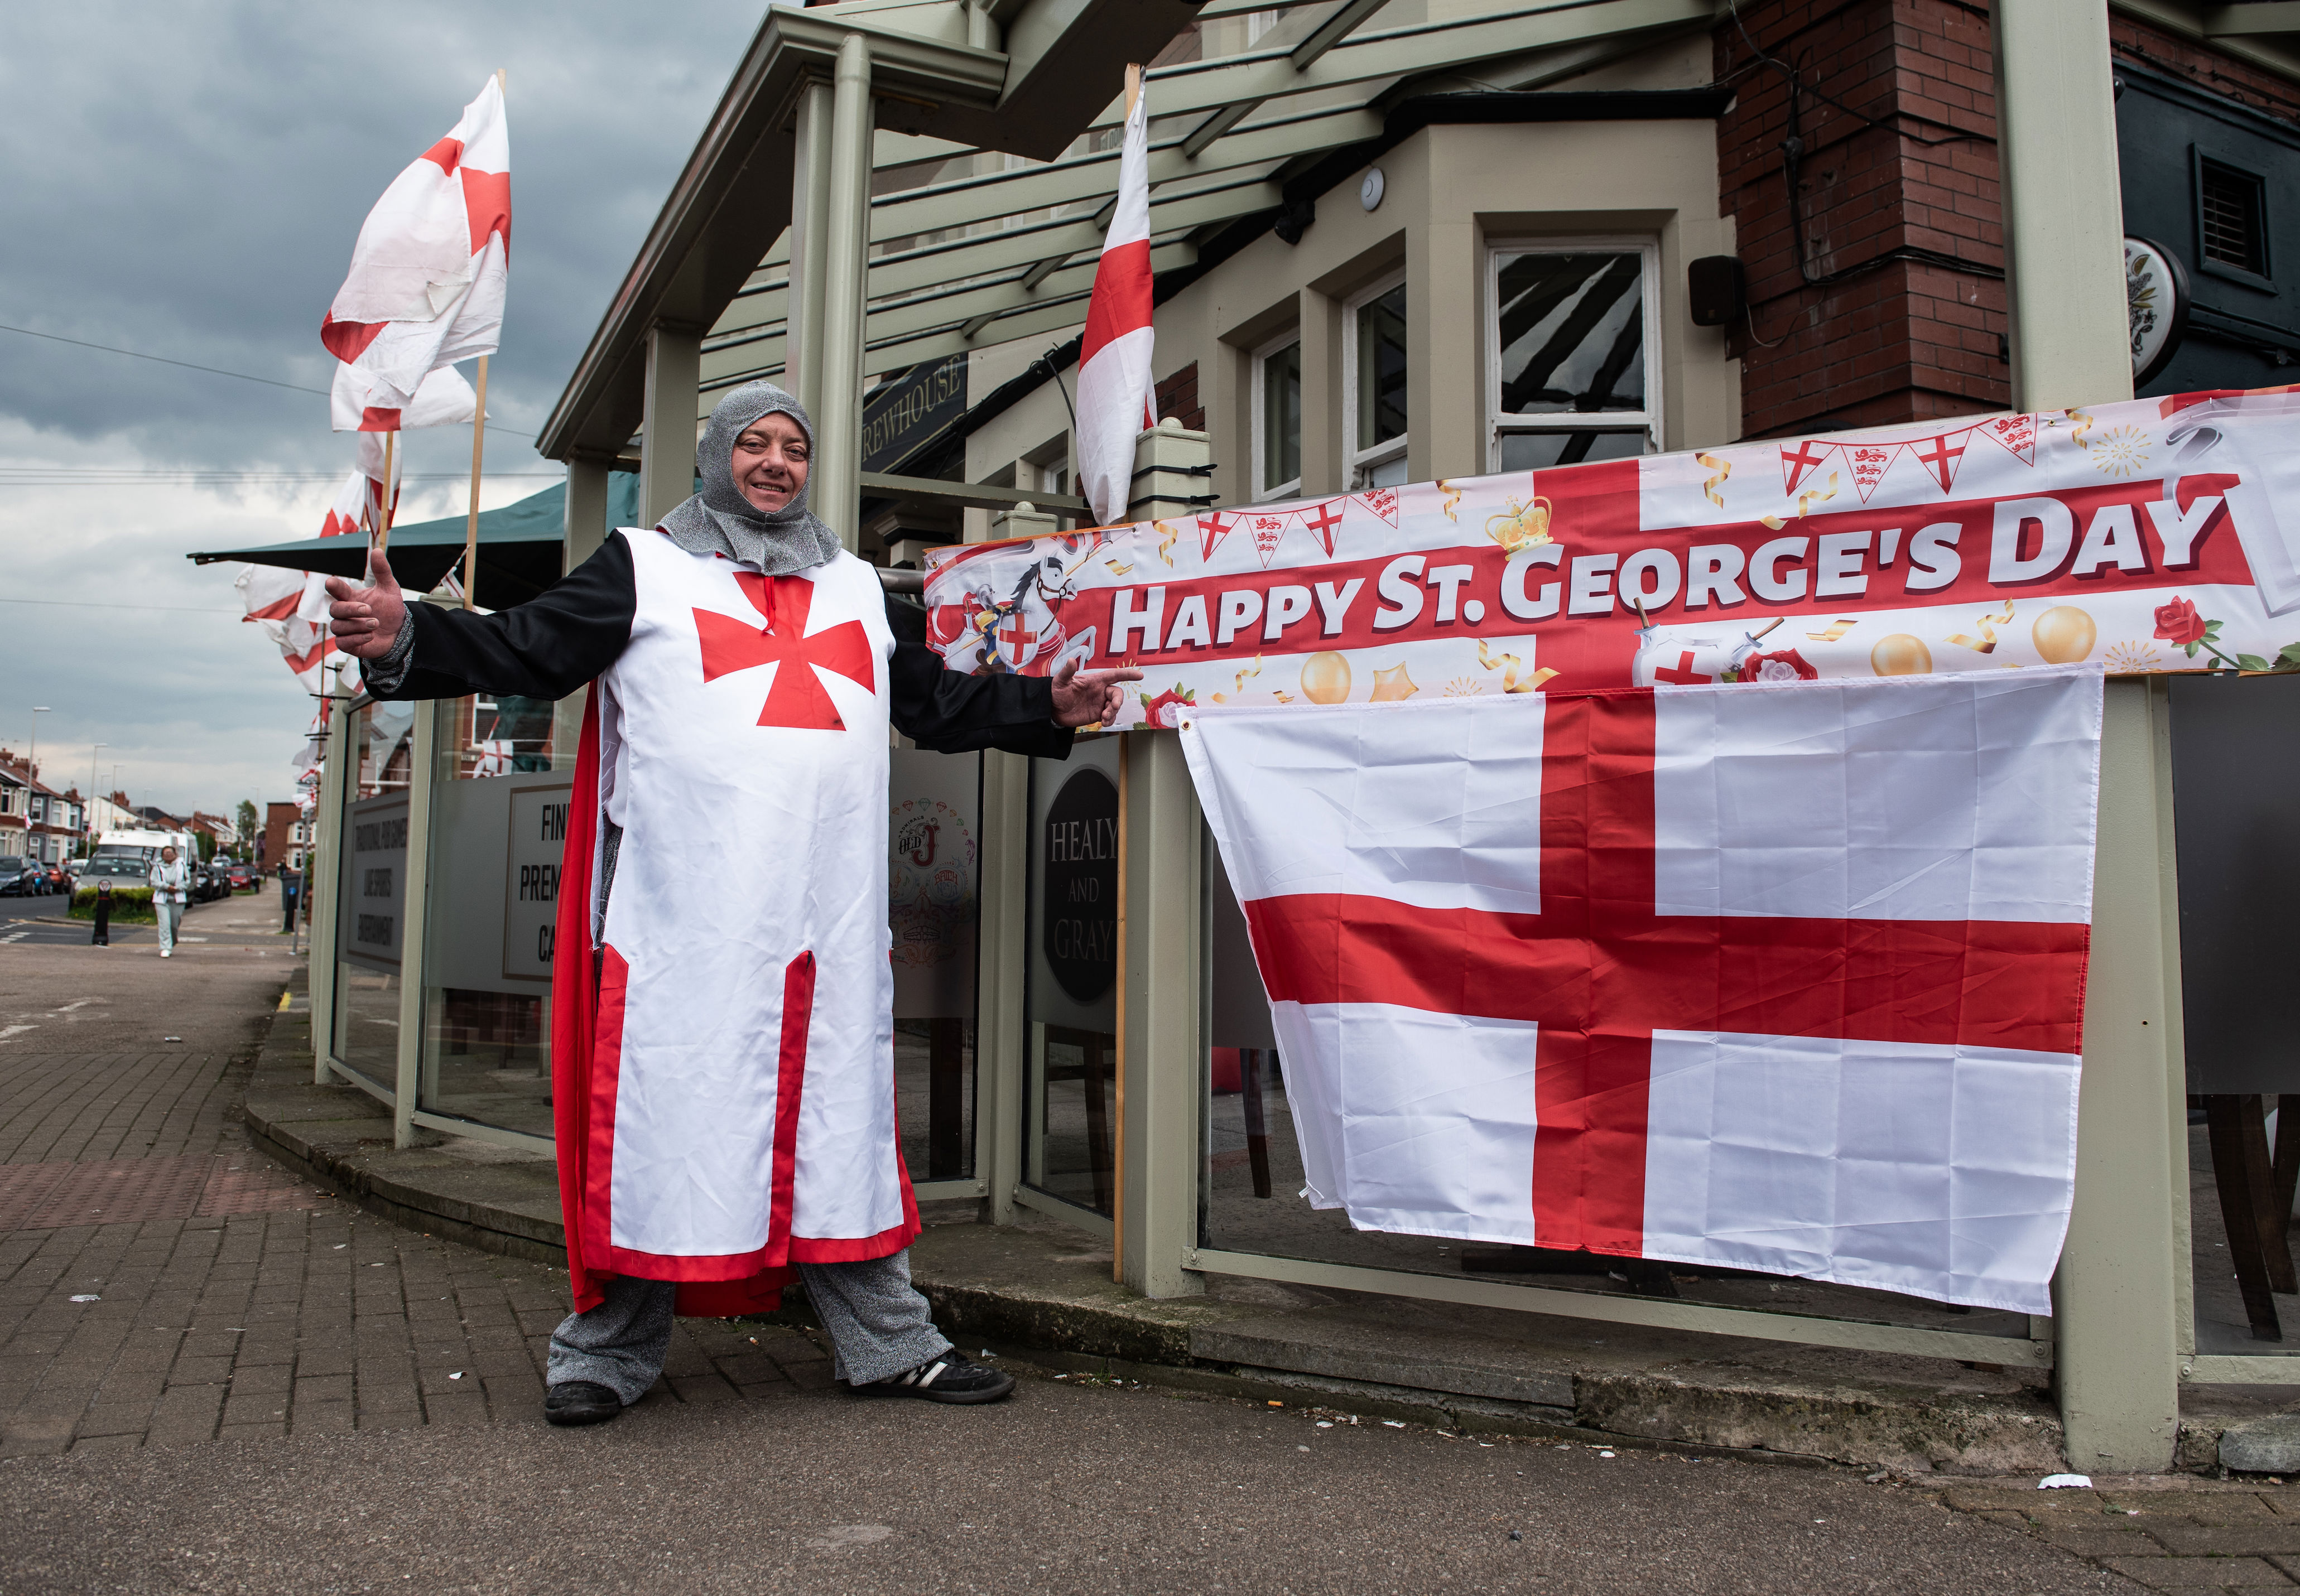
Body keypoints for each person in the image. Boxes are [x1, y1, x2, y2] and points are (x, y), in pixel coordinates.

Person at [326, 381, 1139, 1427]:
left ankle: (889, 1343)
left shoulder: (854, 586)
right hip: (686, 920)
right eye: (753, 442)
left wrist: (1047, 705)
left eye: (793, 446)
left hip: (830, 920)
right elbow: (525, 645)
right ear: (715, 456)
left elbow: (936, 699)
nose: (774, 461)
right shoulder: (645, 566)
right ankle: (606, 1352)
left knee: (840, 1128)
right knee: (664, 1123)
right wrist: (408, 633)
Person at [148, 846, 191, 958]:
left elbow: (187, 881)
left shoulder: (181, 865)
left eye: (170, 853)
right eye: (166, 853)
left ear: (175, 854)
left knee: (173, 925)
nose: (168, 855)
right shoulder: (157, 867)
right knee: (165, 924)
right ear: (162, 856)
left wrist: (177, 888)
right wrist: (166, 887)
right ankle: (165, 948)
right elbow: (154, 882)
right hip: (161, 899)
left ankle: (172, 941)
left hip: (177, 899)